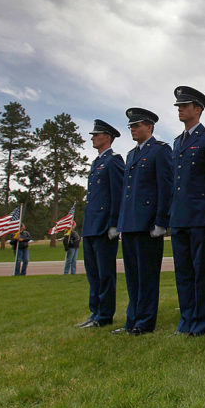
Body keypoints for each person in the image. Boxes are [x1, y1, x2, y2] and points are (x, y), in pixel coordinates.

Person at [113, 108, 173, 336]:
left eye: (137, 125)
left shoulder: (160, 151)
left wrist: (161, 221)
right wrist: (122, 223)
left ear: (150, 127)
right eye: (131, 126)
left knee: (147, 276)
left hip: (148, 225)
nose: (133, 129)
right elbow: (128, 193)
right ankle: (132, 320)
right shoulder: (131, 155)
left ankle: (145, 322)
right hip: (130, 224)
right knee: (132, 277)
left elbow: (165, 187)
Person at [169, 86, 205, 337]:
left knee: (201, 273)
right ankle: (186, 320)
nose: (180, 109)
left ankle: (200, 324)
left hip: (200, 217)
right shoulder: (178, 142)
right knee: (183, 273)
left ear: (197, 109)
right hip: (180, 217)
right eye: (178, 106)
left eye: (185, 106)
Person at [78, 119, 124, 329]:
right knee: (93, 274)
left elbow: (117, 194)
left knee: (105, 274)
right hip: (91, 227)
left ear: (107, 137)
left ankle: (104, 315)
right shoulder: (96, 163)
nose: (93, 138)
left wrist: (114, 224)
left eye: (96, 135)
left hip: (105, 227)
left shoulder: (114, 161)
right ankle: (95, 312)